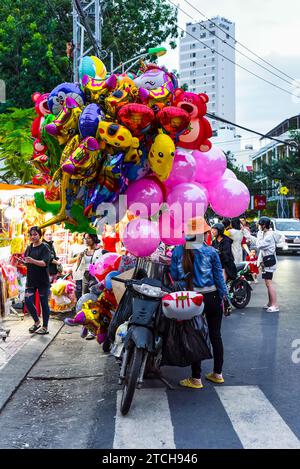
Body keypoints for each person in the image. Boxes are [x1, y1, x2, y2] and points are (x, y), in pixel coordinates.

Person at [170, 217, 230, 389]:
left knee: (195, 335)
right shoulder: (211, 252)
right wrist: (225, 298)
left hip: (192, 299)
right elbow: (219, 278)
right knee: (215, 335)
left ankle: (196, 378)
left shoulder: (178, 251)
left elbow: (174, 276)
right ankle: (217, 374)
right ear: (203, 234)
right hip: (212, 297)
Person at [75, 233, 104, 339]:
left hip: (95, 278)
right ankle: (86, 327)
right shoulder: (83, 252)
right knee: (84, 302)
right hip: (85, 277)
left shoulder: (101, 251)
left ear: (94, 239)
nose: (86, 240)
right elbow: (78, 267)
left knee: (93, 303)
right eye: (85, 238)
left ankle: (93, 330)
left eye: (88, 238)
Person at [24, 226, 51, 335]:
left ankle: (45, 326)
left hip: (42, 280)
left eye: (35, 234)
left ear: (40, 235)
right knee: (28, 301)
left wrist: (32, 261)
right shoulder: (29, 247)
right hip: (31, 280)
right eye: (31, 235)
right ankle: (36, 322)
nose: (33, 237)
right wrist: (22, 262)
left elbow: (44, 263)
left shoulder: (45, 247)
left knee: (44, 304)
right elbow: (28, 262)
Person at [256, 217, 280, 313]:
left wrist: (258, 235)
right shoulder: (265, 233)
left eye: (259, 225)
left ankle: (274, 305)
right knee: (267, 283)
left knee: (269, 283)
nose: (258, 227)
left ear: (264, 225)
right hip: (266, 261)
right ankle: (270, 303)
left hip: (269, 261)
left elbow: (259, 245)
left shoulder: (269, 235)